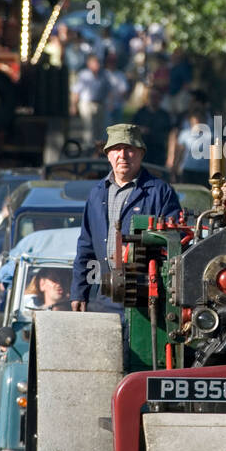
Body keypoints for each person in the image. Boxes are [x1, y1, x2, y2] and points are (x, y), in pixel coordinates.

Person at [71, 125, 181, 313]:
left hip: (148, 301)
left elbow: (176, 244)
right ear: (108, 155)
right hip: (105, 298)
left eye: (129, 149)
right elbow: (86, 247)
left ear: (141, 153)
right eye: (116, 149)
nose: (122, 155)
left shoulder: (160, 192)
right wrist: (79, 292)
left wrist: (136, 249)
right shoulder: (97, 194)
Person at [72, 54, 110, 146]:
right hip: (86, 104)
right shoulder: (83, 75)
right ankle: (88, 148)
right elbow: (76, 91)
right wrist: (73, 105)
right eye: (95, 63)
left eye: (98, 63)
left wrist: (109, 102)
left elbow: (108, 89)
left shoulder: (103, 75)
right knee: (88, 128)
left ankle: (98, 149)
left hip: (100, 104)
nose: (97, 65)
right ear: (89, 64)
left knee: (100, 128)